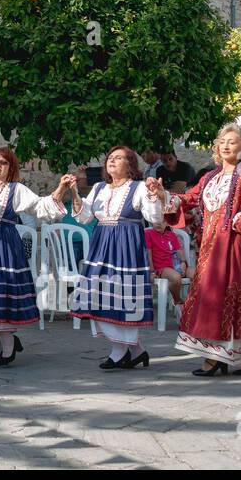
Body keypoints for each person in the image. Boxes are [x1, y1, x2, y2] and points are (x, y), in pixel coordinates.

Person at [163, 123, 241, 376]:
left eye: (232, 141)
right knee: (217, 296)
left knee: (226, 297)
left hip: (230, 246)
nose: (226, 145)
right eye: (223, 140)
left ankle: (217, 357)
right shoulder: (209, 177)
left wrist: (240, 220)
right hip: (207, 247)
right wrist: (162, 195)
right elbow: (188, 199)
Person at [0, 147, 72, 365]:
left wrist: (60, 187)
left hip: (4, 247)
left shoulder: (16, 189)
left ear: (10, 167)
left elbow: (41, 207)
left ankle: (7, 348)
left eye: (3, 162)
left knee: (0, 296)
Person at [68, 146, 163, 371]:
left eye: (119, 158)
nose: (112, 161)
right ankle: (136, 350)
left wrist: (153, 194)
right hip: (101, 245)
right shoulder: (99, 188)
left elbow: (154, 217)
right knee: (97, 294)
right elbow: (84, 217)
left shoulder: (138, 187)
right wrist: (74, 192)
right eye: (110, 157)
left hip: (126, 246)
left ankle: (119, 352)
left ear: (130, 165)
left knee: (123, 295)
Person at [144, 221, 188, 310]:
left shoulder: (171, 235)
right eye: (156, 220)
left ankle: (195, 304)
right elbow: (148, 254)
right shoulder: (148, 234)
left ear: (168, 223)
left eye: (162, 221)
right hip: (162, 267)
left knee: (199, 274)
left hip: (176, 265)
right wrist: (152, 271)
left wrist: (183, 262)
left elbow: (179, 251)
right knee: (176, 277)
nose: (158, 223)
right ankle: (177, 300)